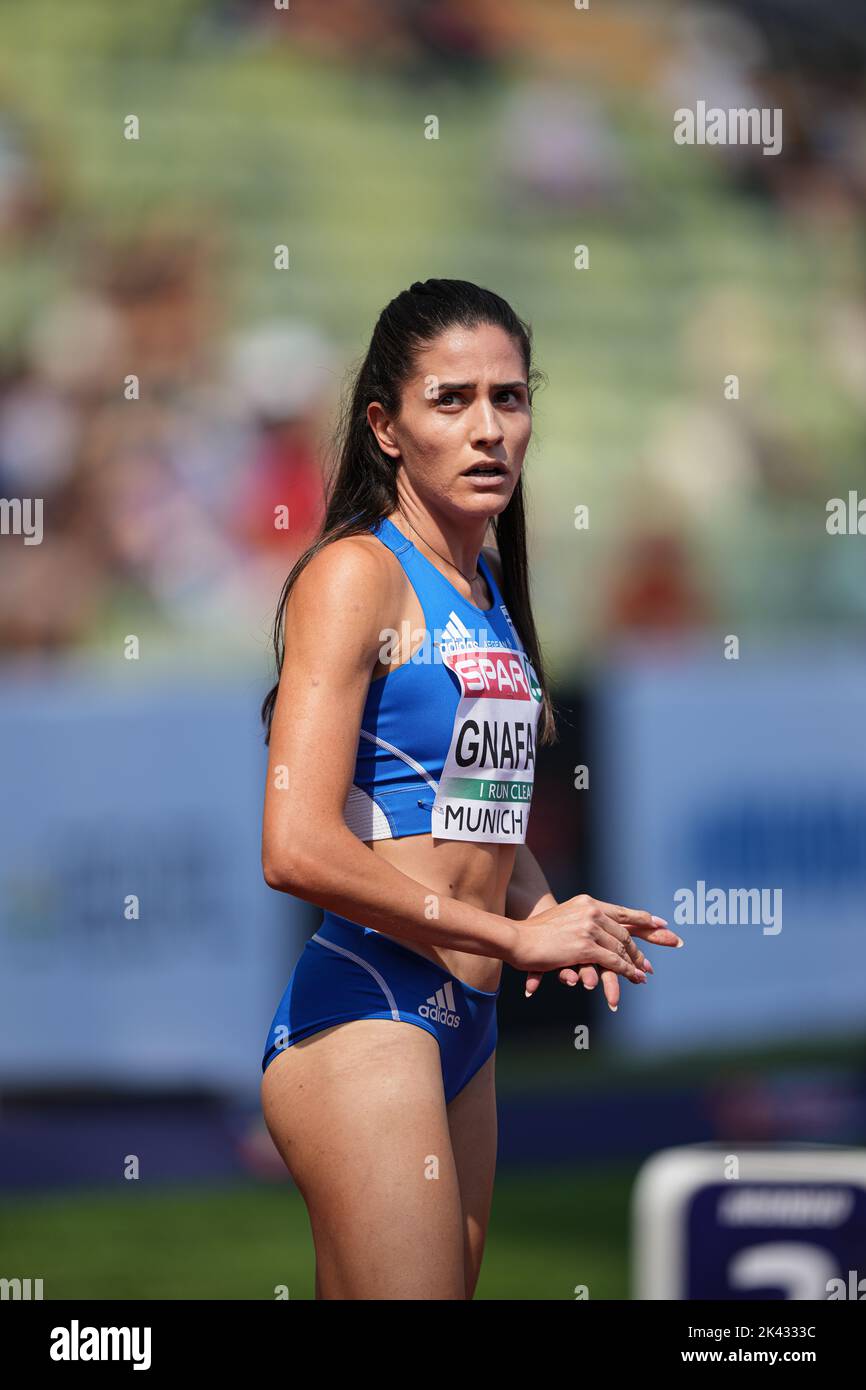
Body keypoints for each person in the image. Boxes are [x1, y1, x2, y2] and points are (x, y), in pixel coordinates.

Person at [258, 278, 679, 1300]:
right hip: (366, 1013)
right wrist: (511, 937)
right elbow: (296, 848)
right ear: (385, 426)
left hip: (462, 1027)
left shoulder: (484, 588)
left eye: (509, 397)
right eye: (450, 400)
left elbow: (471, 825)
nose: (488, 428)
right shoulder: (357, 574)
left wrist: (547, 906)